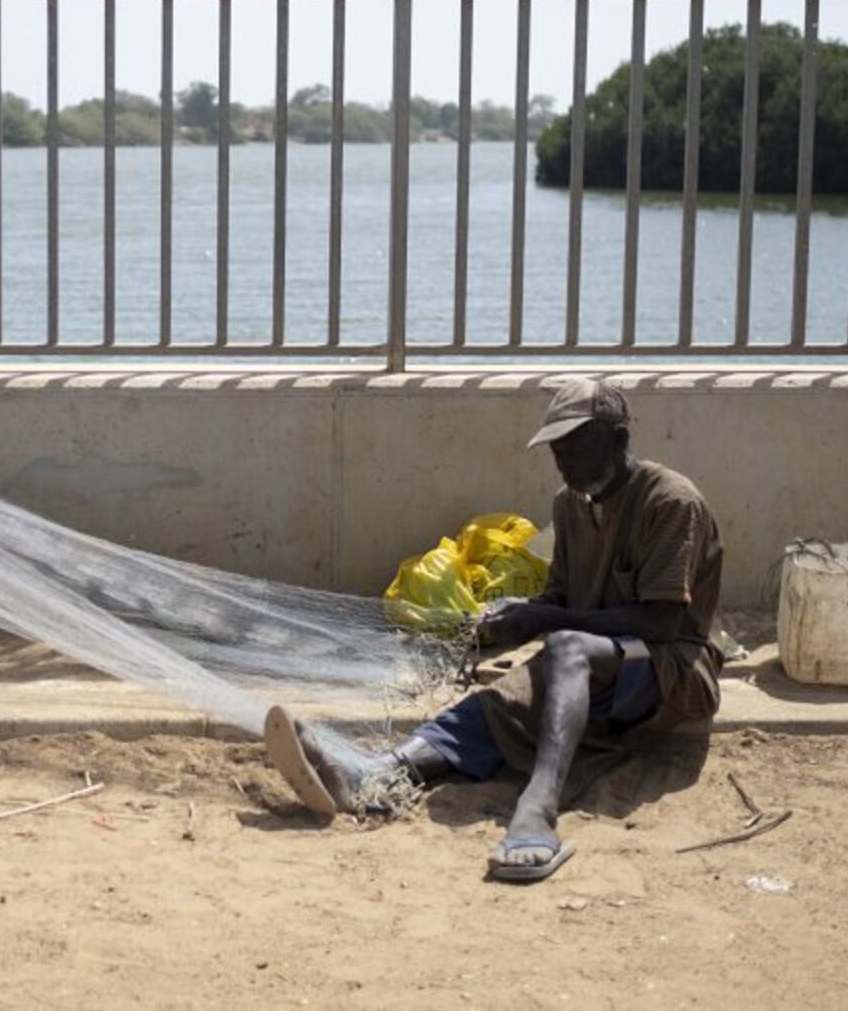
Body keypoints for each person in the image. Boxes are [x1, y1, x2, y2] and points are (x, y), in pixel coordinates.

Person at [266, 377, 723, 883]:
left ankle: (538, 810)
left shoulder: (670, 502)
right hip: (591, 664)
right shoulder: (569, 505)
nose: (564, 460)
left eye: (577, 445)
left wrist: (547, 620)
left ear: (618, 439)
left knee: (566, 648)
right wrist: (506, 624)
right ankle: (378, 772)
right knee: (497, 704)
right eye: (557, 449)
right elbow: (563, 601)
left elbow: (662, 622)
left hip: (668, 671)